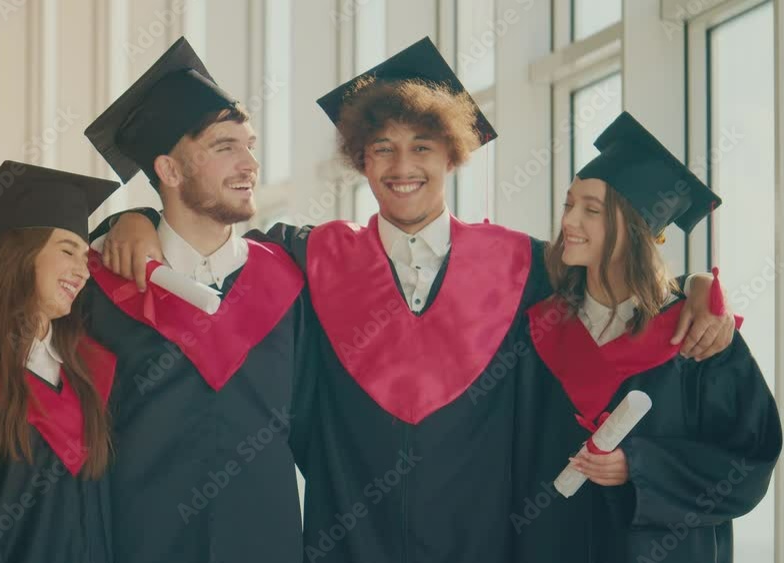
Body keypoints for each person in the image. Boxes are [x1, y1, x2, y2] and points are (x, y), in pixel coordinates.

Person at [100, 38, 737, 562]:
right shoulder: (309, 255)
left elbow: (616, 286)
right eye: (382, 149)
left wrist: (696, 291)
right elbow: (204, 240)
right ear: (361, 159)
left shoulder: (522, 265)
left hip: (486, 540)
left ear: (453, 154)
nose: (403, 167)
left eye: (423, 148)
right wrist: (131, 219)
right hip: (346, 541)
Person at [81, 37, 315, 563]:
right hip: (137, 544)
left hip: (268, 544)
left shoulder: (290, 282)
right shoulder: (99, 291)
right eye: (224, 146)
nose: (249, 163)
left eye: (249, 144)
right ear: (168, 170)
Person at [513, 112, 782, 563]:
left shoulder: (698, 337)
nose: (569, 222)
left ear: (637, 227)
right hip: (553, 543)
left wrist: (640, 466)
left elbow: (749, 465)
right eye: (568, 204)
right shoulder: (540, 321)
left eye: (592, 210)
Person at [0, 160, 119, 563]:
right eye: (67, 250)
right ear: (19, 256)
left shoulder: (91, 373)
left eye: (85, 255)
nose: (83, 271)